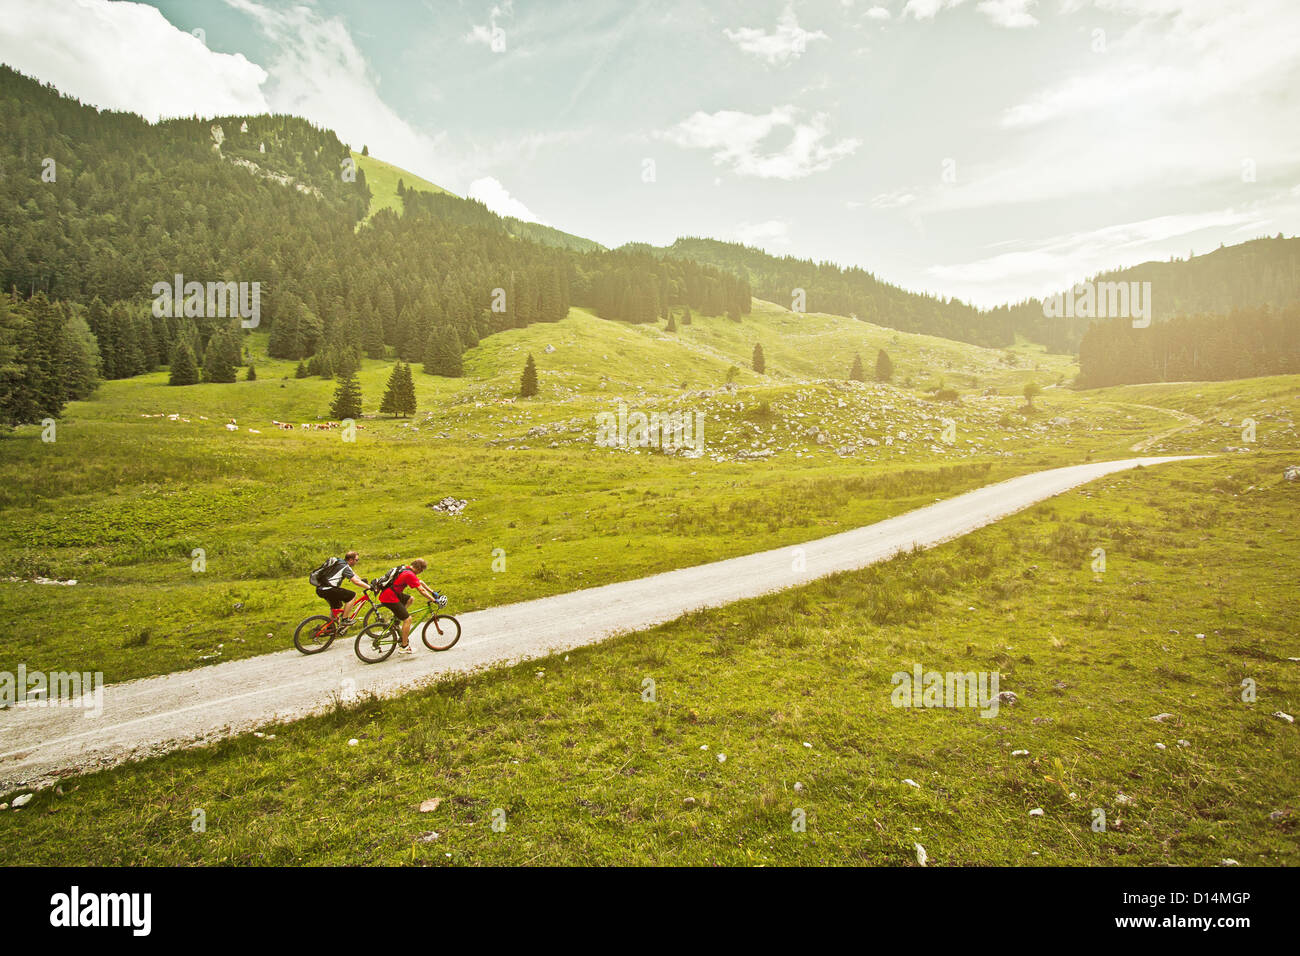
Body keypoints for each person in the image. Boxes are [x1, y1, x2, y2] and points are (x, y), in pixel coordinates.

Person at [376, 557, 445, 654]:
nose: (420, 573)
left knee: (410, 599)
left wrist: (432, 592)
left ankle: (396, 619)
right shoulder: (409, 574)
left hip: (391, 593)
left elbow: (420, 582)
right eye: (421, 571)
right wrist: (434, 600)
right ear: (419, 569)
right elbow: (421, 590)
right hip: (389, 597)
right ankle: (404, 646)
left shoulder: (406, 568)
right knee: (408, 619)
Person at [314, 551, 370, 624]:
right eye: (356, 560)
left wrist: (361, 580)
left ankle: (330, 627)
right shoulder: (345, 567)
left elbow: (353, 574)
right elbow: (355, 581)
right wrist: (369, 587)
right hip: (329, 589)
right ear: (351, 560)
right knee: (352, 595)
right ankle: (345, 619)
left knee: (336, 607)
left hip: (320, 589)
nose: (357, 562)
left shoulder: (340, 562)